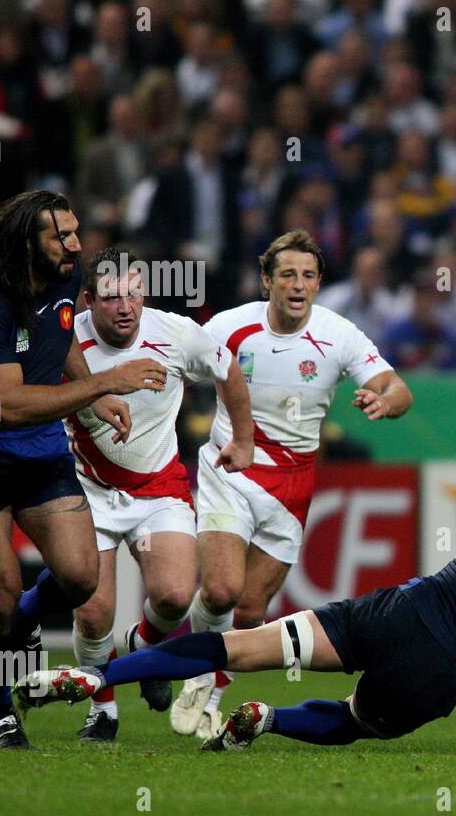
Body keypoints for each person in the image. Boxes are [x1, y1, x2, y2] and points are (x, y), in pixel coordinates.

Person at [14, 475, 456, 751]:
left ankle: (102, 677)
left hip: (396, 608)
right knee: (360, 721)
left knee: (235, 649)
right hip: (437, 665)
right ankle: (272, 722)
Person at [170, 229, 413, 739]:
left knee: (253, 610)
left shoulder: (339, 333)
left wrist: (386, 401)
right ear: (267, 281)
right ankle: (198, 671)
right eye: (287, 275)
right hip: (231, 464)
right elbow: (178, 366)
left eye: (307, 275)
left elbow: (397, 388)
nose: (298, 285)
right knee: (220, 590)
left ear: (319, 282)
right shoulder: (230, 326)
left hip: (294, 483)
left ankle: (210, 687)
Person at [0, 190, 166, 749]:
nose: (75, 245)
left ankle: (19, 624)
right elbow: (6, 404)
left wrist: (90, 402)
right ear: (28, 244)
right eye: (60, 236)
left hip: (41, 449)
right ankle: (0, 713)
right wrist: (104, 384)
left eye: (74, 231)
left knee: (79, 577)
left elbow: (60, 336)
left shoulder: (67, 280)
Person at [62, 247, 255, 742]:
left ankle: (144, 651)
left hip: (159, 487)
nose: (125, 305)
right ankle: (102, 709)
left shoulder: (174, 332)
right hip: (88, 489)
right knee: (92, 611)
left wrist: (244, 437)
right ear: (88, 300)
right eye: (111, 296)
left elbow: (227, 369)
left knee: (173, 596)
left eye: (133, 292)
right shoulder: (65, 340)